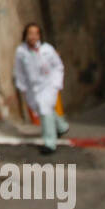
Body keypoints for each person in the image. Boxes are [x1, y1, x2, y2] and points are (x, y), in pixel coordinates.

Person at [13, 23, 68, 155]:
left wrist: (56, 83)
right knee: (43, 109)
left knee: (45, 109)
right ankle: (62, 127)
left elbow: (58, 66)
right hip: (33, 88)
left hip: (48, 85)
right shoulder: (21, 52)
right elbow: (19, 71)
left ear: (39, 35)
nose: (32, 36)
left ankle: (50, 143)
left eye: (35, 33)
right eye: (30, 33)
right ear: (26, 35)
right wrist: (22, 87)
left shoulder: (47, 49)